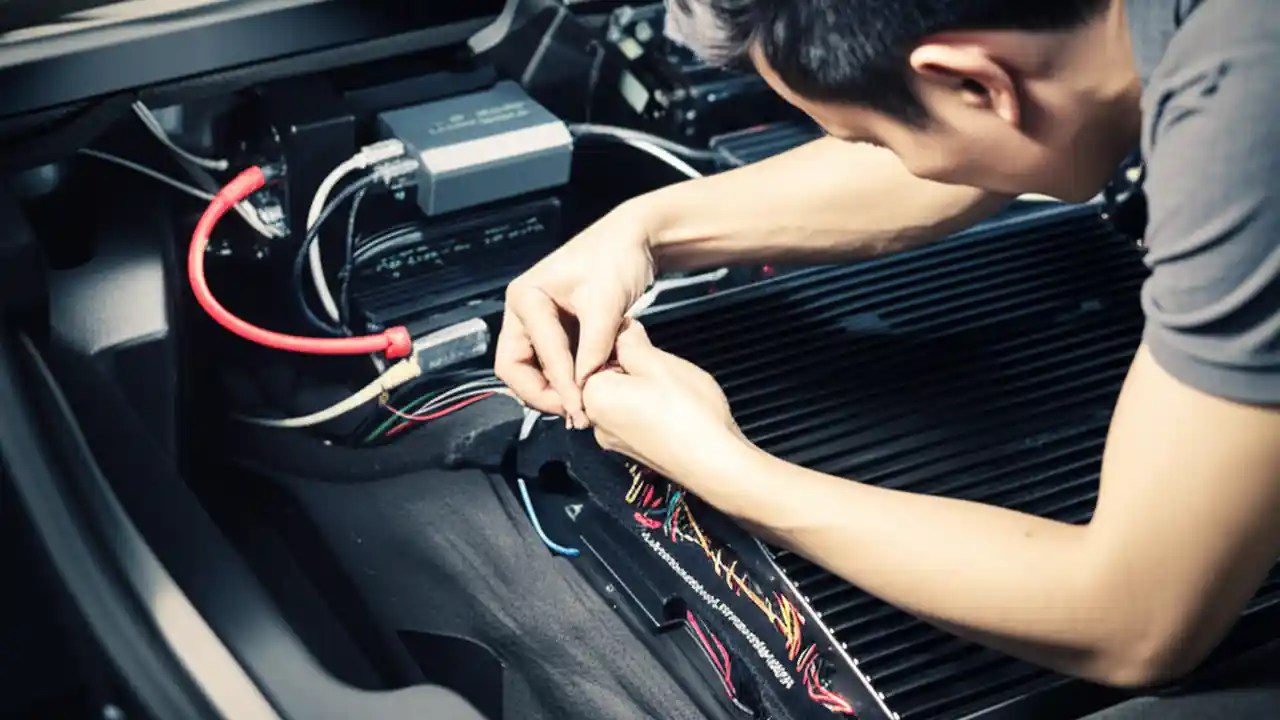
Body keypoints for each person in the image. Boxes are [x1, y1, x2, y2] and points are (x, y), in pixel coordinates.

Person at [495, 0, 1280, 705]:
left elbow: (1137, 619)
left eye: (871, 135)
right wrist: (642, 230)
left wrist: (724, 469)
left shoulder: (1251, 123)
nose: (879, 154)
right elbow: (991, 138)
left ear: (977, 83)